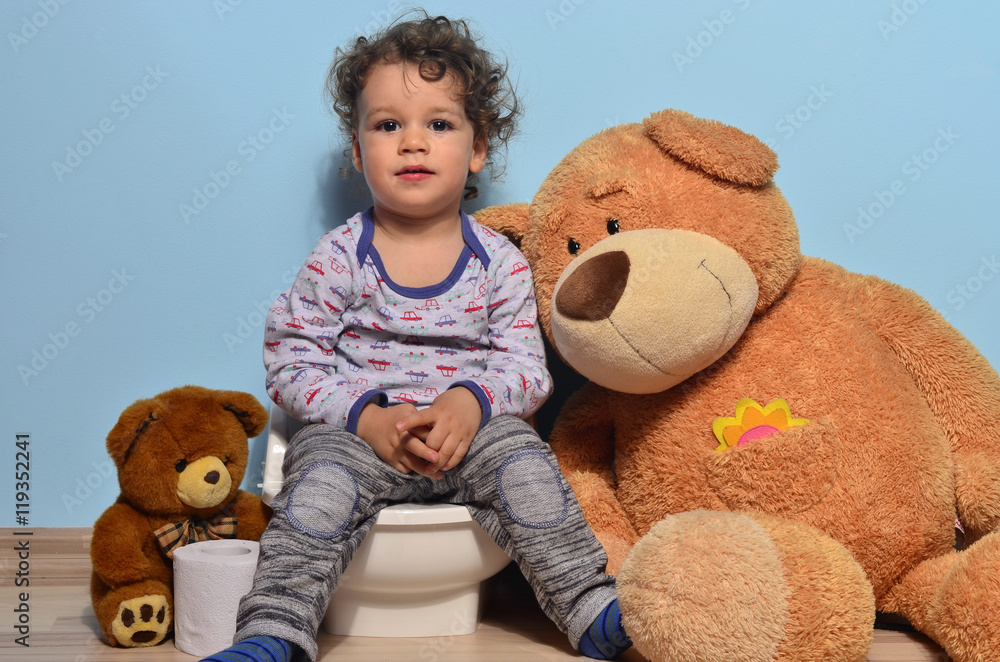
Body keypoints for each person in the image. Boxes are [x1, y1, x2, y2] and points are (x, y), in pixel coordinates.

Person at [203, 12, 631, 662]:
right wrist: (366, 418)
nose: (412, 143)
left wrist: (472, 402)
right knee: (315, 495)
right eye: (386, 125)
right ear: (358, 151)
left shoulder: (499, 261)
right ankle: (273, 631)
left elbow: (526, 367)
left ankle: (590, 606)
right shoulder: (339, 257)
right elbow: (291, 363)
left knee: (525, 465)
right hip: (357, 440)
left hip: (470, 439)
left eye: (438, 124)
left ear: (477, 147)